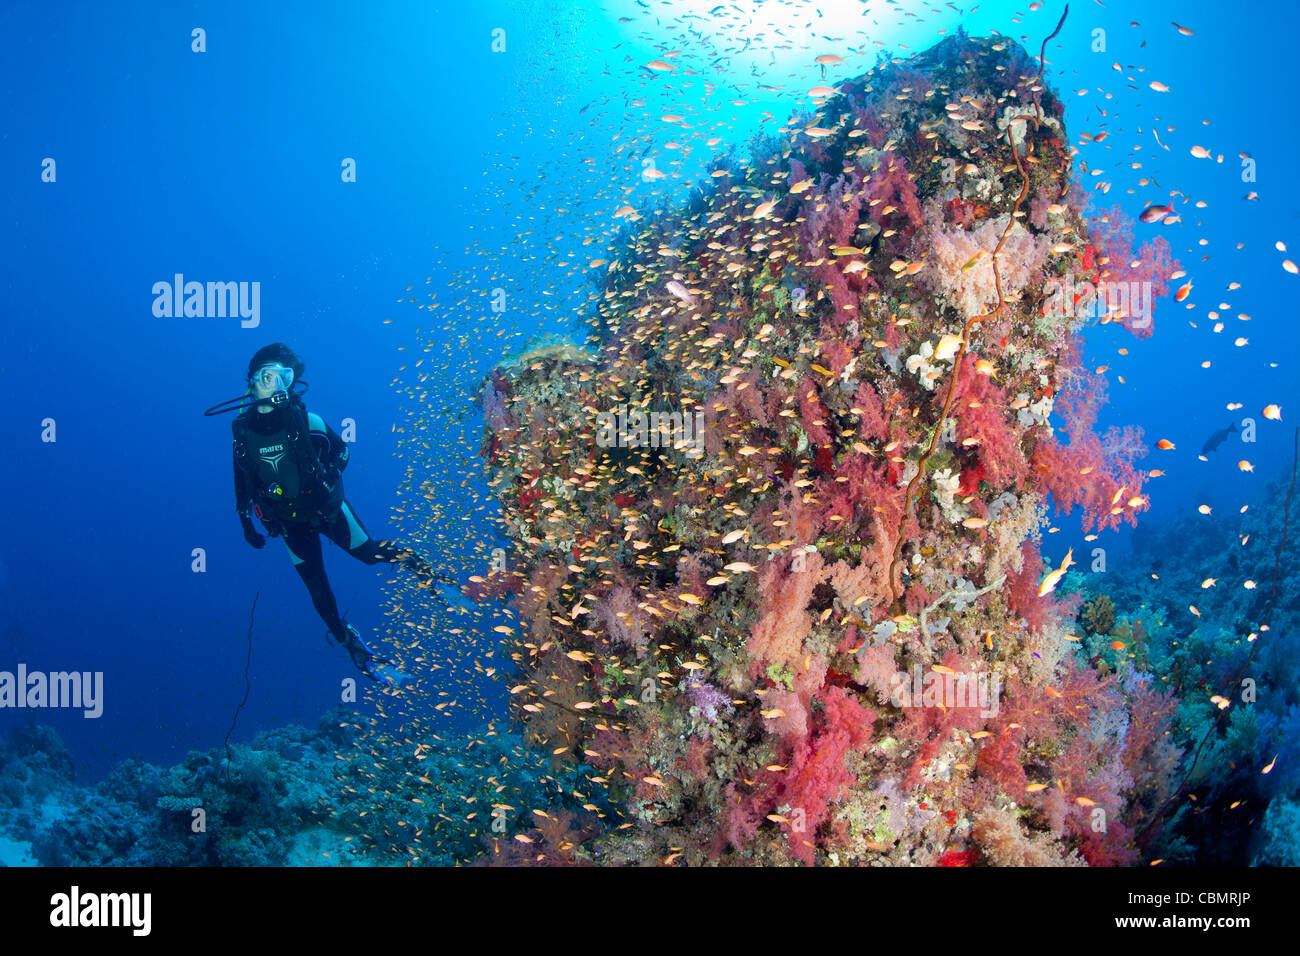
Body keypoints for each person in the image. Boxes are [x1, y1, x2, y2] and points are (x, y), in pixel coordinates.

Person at [231, 343, 441, 681]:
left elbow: (342, 452)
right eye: (269, 377)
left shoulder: (308, 421)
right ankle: (352, 645)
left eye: (285, 378)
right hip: (289, 524)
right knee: (318, 590)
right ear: (252, 381)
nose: (277, 386)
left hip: (326, 508)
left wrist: (330, 476)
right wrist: (245, 521)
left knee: (370, 555)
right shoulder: (242, 433)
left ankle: (427, 572)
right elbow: (241, 479)